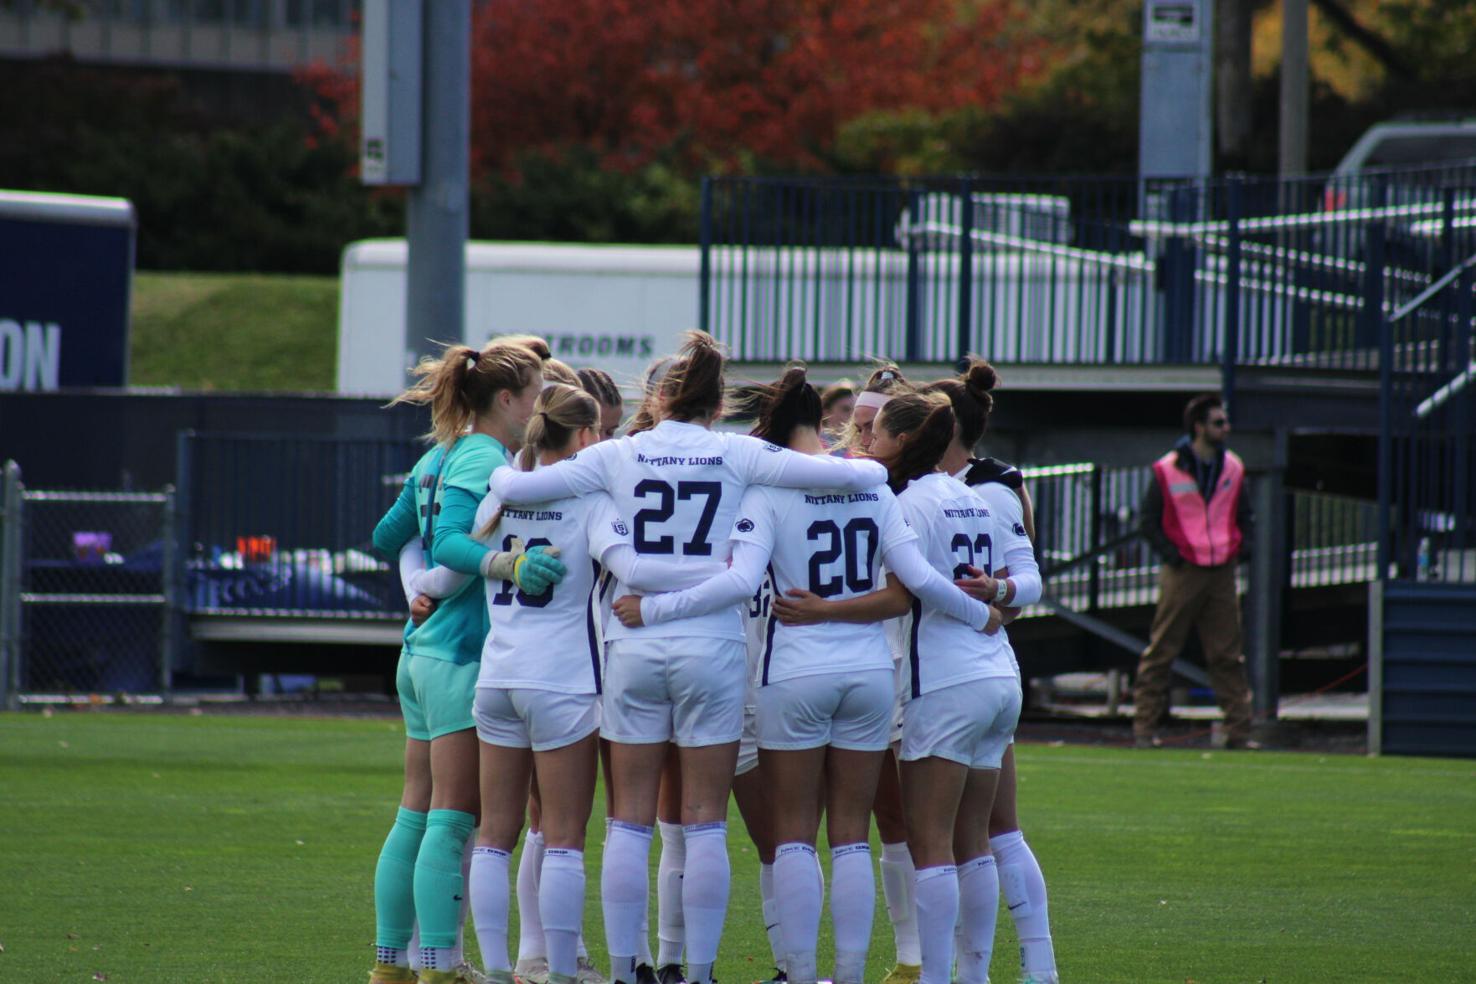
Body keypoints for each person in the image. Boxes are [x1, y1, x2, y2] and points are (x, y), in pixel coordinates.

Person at [485, 332, 889, 984]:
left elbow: (519, 488)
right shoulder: (738, 453)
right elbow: (848, 472)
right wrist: (871, 465)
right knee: (702, 822)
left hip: (634, 643)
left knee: (629, 820)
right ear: (716, 399)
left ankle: (626, 969)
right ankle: (697, 972)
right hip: (713, 646)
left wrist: (498, 460)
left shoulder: (619, 453)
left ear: (662, 396)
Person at [611, 367, 996, 984]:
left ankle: (797, 970)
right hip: (869, 670)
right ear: (822, 423)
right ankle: (847, 974)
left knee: (792, 835)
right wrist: (986, 613)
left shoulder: (765, 490)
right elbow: (915, 584)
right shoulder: (872, 486)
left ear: (768, 426)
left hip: (792, 669)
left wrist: (653, 606)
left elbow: (739, 580)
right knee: (850, 836)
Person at [774, 391, 1040, 984]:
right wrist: (997, 602)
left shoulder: (906, 503)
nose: (865, 444)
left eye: (875, 434)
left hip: (944, 681)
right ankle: (993, 973)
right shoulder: (976, 497)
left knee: (931, 844)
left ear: (903, 441)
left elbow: (911, 587)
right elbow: (1027, 579)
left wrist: (824, 610)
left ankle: (940, 976)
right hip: (998, 677)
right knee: (978, 839)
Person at [368, 340, 564, 984]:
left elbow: (386, 537)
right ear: (506, 400)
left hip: (419, 656)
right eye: (535, 395)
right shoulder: (482, 455)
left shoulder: (440, 453)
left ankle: (391, 964)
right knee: (454, 818)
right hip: (457, 657)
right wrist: (502, 564)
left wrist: (415, 590)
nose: (540, 407)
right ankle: (439, 968)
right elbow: (451, 539)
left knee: (416, 810)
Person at [924, 362, 1058, 984]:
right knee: (976, 834)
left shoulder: (989, 486)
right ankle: (1003, 968)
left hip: (966, 670)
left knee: (987, 832)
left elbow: (1021, 582)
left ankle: (1034, 963)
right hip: (978, 670)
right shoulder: (953, 482)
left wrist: (993, 599)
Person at [1134, 393, 1256, 750]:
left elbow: (1245, 515)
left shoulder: (1233, 466)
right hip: (1183, 570)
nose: (1226, 428)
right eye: (1218, 422)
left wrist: (1241, 549)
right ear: (1199, 427)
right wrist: (1172, 556)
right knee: (1162, 650)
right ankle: (1144, 729)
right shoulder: (1167, 468)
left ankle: (1239, 732)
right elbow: (1148, 520)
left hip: (1222, 569)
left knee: (1228, 654)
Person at [819, 381, 855, 445]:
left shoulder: (859, 447)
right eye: (846, 409)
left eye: (855, 411)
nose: (852, 416)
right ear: (826, 412)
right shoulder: (812, 444)